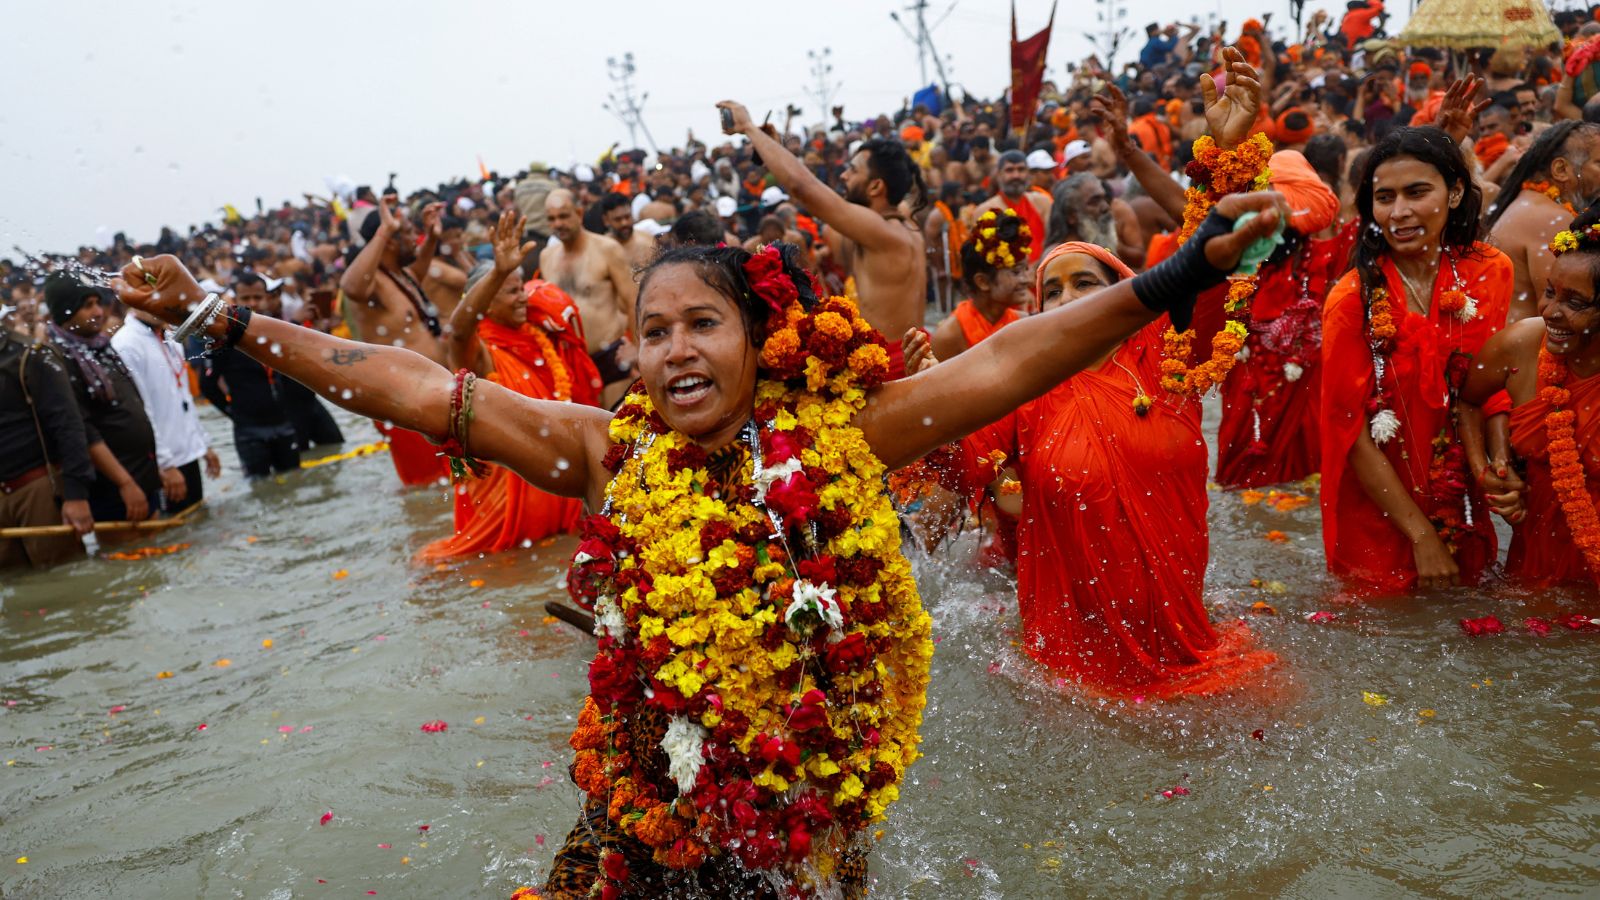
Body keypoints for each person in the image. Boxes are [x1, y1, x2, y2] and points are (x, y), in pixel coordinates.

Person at [113, 166, 1282, 898]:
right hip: (639, 822)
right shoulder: (605, 454)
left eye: (703, 324)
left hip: (805, 824)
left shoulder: (843, 436)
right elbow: (415, 389)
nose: (674, 349)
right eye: (654, 329)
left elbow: (1015, 357)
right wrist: (226, 315)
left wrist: (1181, 270)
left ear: (756, 336)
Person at [922, 239, 1277, 697]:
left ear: (1122, 294)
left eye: (1084, 283)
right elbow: (961, 470)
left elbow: (1223, 272)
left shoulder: (1172, 356)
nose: (1067, 299)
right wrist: (938, 413)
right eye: (1053, 291)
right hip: (1072, 657)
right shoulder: (1024, 384)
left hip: (1181, 631)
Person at [1320, 126, 1512, 594]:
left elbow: (1487, 386)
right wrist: (1420, 535)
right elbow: (1347, 429)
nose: (1399, 212)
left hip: (1461, 496)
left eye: (1417, 192)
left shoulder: (1489, 271)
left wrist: (1498, 466)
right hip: (1377, 509)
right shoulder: (1353, 299)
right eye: (1385, 197)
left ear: (1456, 193)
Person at [418, 214, 596, 562]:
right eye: (511, 291)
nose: (522, 299)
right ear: (485, 301)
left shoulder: (536, 336)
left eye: (521, 289)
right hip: (505, 488)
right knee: (501, 563)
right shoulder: (479, 351)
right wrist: (498, 271)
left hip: (549, 478)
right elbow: (456, 331)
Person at [720, 101, 928, 376]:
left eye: (853, 171)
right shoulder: (904, 223)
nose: (843, 175)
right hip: (909, 358)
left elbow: (804, 188)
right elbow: (812, 189)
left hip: (890, 369)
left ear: (876, 186)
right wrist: (775, 148)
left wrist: (749, 128)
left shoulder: (882, 232)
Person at [1460, 205, 1600, 587]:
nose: (1551, 312)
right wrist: (1490, 470)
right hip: (1533, 567)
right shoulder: (1522, 345)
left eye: (1575, 303)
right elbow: (1469, 401)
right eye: (1550, 293)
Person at [1214, 150, 1342, 488]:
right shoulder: (1232, 263)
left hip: (1306, 406)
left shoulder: (1329, 262)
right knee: (1240, 489)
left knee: (1308, 485)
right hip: (1246, 404)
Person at [340, 195, 450, 486]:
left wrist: (433, 238)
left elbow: (420, 270)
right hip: (400, 399)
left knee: (446, 481)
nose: (417, 238)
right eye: (410, 233)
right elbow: (350, 287)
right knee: (425, 487)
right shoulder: (371, 283)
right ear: (389, 240)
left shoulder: (401, 276)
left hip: (426, 395)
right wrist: (385, 229)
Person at [43, 271, 159, 524]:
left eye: (98, 303)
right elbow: (83, 431)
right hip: (114, 488)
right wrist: (125, 483)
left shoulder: (101, 346)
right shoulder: (58, 361)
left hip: (143, 472)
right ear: (65, 312)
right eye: (87, 306)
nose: (98, 312)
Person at [0, 320, 94, 568]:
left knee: (63, 579)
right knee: (16, 591)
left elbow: (69, 426)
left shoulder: (32, 354)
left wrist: (76, 496)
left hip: (39, 490)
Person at [1484, 121, 1600, 322]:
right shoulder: (1550, 218)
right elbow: (1562, 313)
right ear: (1561, 169)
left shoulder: (1531, 202)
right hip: (1524, 348)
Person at [109, 304, 220, 513]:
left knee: (199, 524)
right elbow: (142, 411)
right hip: (163, 463)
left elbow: (183, 398)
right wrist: (165, 464)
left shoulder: (170, 337)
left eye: (159, 297)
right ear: (131, 300)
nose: (156, 304)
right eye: (146, 299)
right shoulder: (125, 344)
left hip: (187, 453)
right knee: (179, 535)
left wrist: (203, 444)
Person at [539, 188, 639, 405]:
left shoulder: (607, 249)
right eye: (552, 219)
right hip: (573, 362)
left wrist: (636, 346)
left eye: (564, 216)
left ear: (579, 213)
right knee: (587, 432)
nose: (558, 224)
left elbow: (633, 300)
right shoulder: (546, 257)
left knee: (616, 426)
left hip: (611, 355)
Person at [929, 209, 1031, 361]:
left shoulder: (1024, 323)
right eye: (1016, 272)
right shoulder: (949, 336)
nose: (1026, 279)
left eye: (1026, 269)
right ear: (982, 282)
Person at [974, 150, 1049, 261]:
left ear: (1028, 173)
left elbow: (1053, 240)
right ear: (999, 175)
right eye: (1009, 170)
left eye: (1021, 169)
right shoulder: (985, 210)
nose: (1016, 175)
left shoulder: (1043, 202)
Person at [599, 192, 658, 270]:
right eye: (617, 219)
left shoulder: (648, 243)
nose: (624, 223)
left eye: (627, 217)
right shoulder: (600, 249)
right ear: (606, 220)